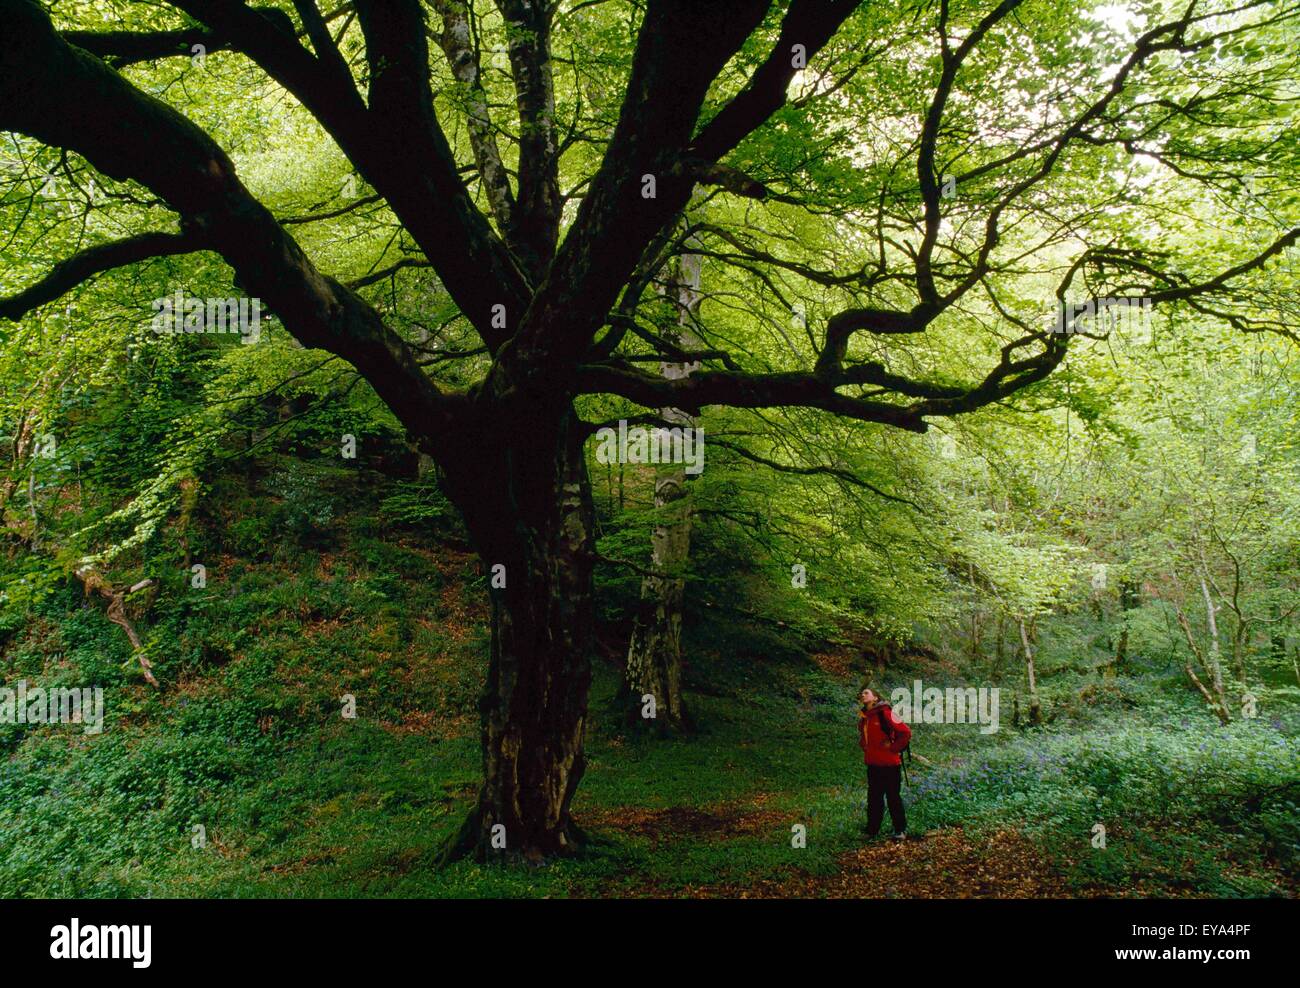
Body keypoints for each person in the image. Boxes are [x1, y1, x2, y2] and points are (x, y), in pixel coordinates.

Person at [857, 686, 911, 841]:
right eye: (862, 693)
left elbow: (906, 732)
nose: (863, 695)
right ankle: (872, 830)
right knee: (874, 798)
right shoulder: (865, 717)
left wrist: (893, 748)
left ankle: (900, 830)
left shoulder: (886, 713)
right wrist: (865, 746)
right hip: (873, 765)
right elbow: (864, 737)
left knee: (893, 797)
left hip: (890, 765)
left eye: (866, 692)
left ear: (875, 698)